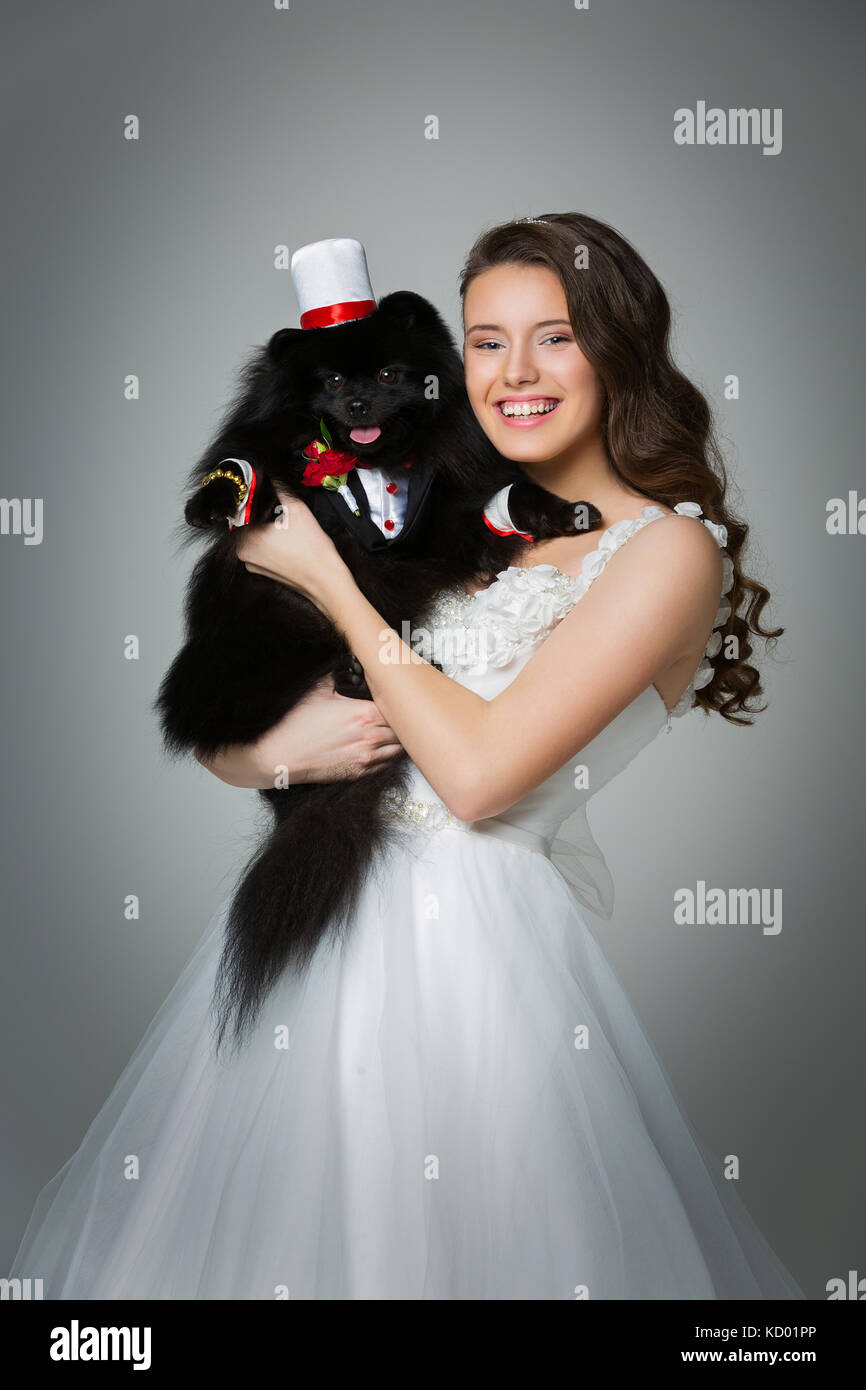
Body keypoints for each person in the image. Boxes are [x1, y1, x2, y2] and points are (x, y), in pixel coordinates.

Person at [8, 213, 807, 1299]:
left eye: (553, 337)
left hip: (473, 961)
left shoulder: (663, 551)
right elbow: (252, 737)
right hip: (316, 928)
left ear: (615, 349)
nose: (511, 373)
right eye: (484, 341)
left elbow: (476, 778)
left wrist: (325, 578)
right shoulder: (476, 519)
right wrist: (274, 754)